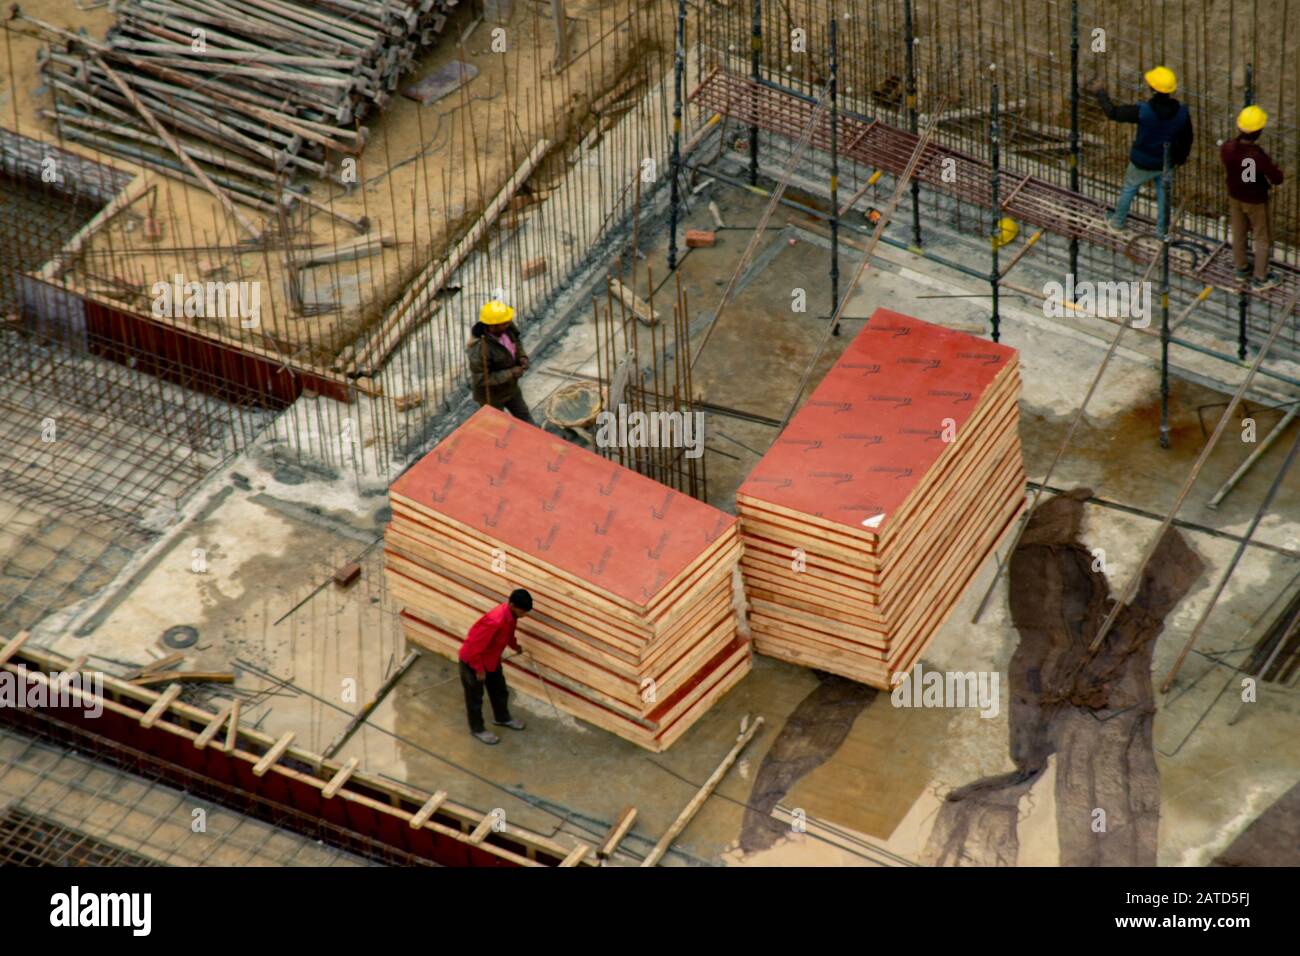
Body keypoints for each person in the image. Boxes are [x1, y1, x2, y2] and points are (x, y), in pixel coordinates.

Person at [1094, 66, 1193, 237]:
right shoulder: (1182, 113)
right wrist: (1180, 158)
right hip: (1165, 162)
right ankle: (1162, 232)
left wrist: (1101, 93)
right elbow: (1187, 138)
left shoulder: (1144, 111)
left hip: (1142, 161)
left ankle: (1117, 223)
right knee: (1164, 197)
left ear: (1152, 89)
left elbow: (1113, 113)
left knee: (1130, 188)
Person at [1220, 105, 1283, 292]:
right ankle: (1260, 277)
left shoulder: (1227, 148)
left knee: (1239, 233)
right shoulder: (1257, 156)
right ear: (1259, 132)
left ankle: (1241, 268)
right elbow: (1276, 178)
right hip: (1255, 200)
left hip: (1235, 196)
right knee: (1262, 238)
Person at [458, 588, 532, 745]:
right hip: (473, 662)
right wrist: (478, 669)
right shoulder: (494, 620)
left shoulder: (512, 615)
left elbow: (509, 634)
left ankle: (502, 718)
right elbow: (474, 646)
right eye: (522, 611)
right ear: (511, 604)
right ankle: (477, 729)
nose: (524, 615)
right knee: (475, 698)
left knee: (499, 691)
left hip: (491, 660)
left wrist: (515, 646)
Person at [467, 300, 534, 424]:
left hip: (511, 388)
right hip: (491, 396)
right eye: (504, 324)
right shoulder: (480, 349)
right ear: (493, 326)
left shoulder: (507, 327)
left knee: (524, 416)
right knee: (499, 424)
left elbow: (516, 342)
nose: (508, 324)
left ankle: (537, 438)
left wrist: (521, 356)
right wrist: (511, 373)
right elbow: (482, 379)